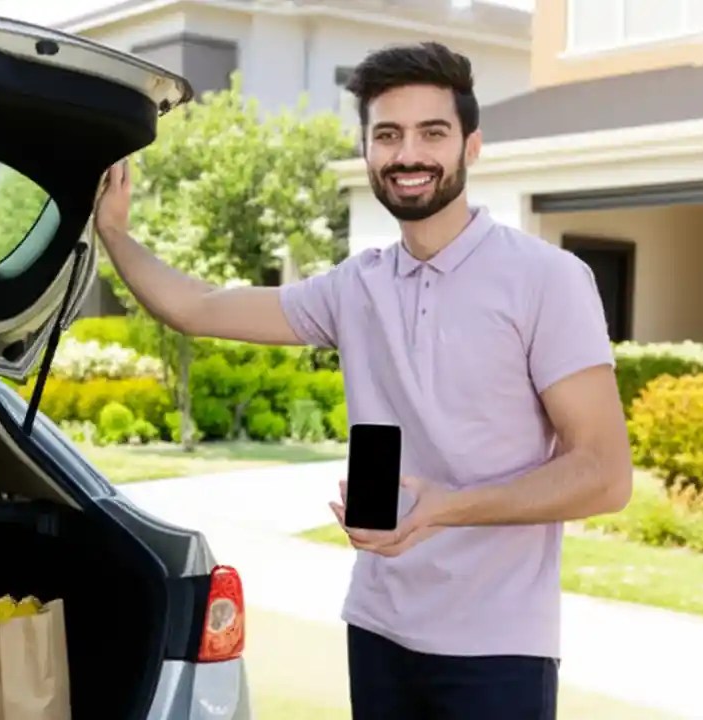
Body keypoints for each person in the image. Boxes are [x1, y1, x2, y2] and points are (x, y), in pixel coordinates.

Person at [92, 41, 632, 719]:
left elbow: (604, 474)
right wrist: (115, 235)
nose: (409, 154)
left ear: (471, 146)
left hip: (498, 647)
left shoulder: (547, 280)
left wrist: (447, 507)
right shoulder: (356, 287)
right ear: (368, 151)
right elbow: (197, 307)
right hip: (378, 629)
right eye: (388, 135)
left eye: (432, 133)